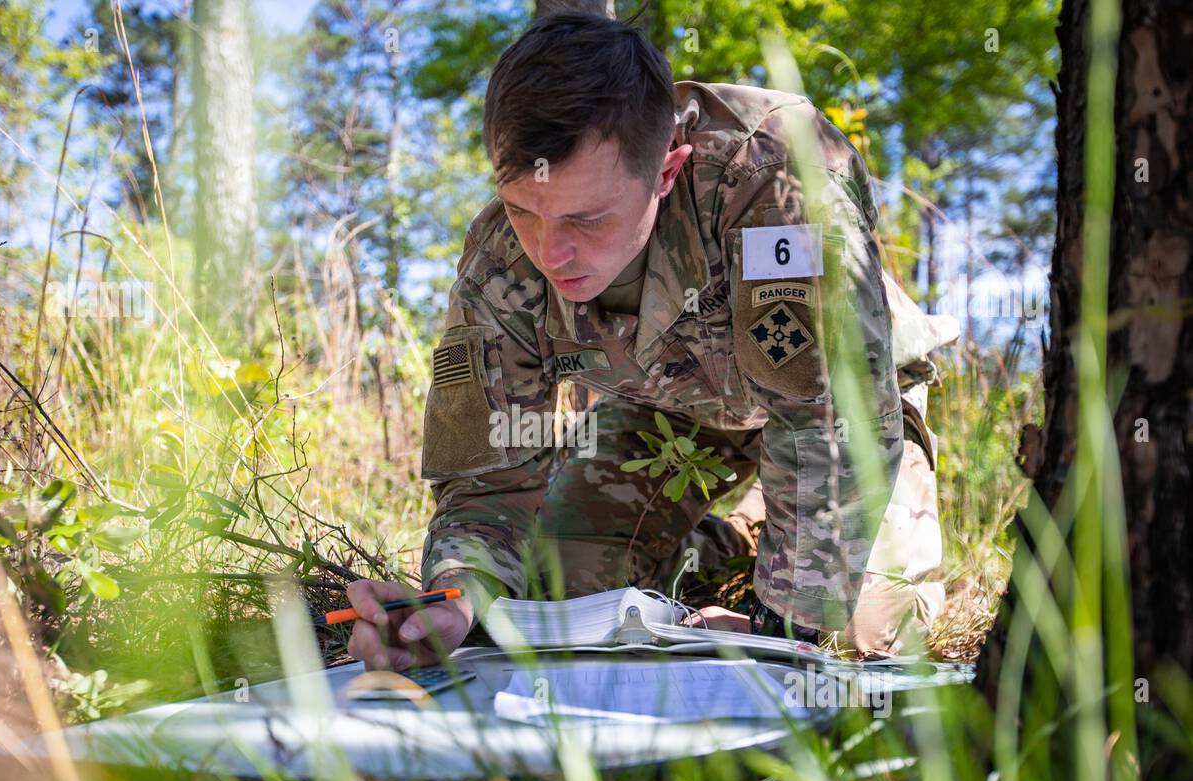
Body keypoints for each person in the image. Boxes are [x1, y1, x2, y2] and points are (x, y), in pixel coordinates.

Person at [345, 12, 954, 672]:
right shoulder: (500, 262)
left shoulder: (775, 177)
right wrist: (456, 598)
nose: (550, 251)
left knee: (859, 639)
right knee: (557, 591)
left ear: (667, 172)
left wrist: (784, 625)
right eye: (523, 210)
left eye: (586, 218)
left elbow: (830, 415)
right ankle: (741, 533)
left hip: (842, 407)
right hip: (673, 410)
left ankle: (774, 543)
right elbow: (486, 482)